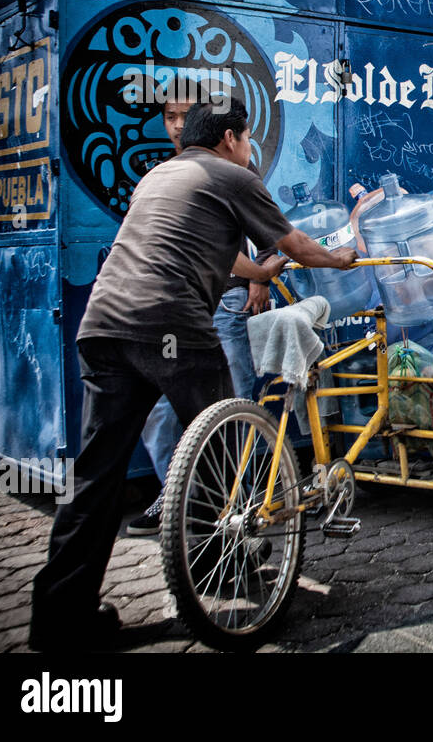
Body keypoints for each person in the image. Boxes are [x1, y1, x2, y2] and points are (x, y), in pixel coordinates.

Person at [29, 97, 358, 651]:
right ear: (230, 138)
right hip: (169, 324)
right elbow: (298, 244)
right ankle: (218, 563)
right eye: (247, 136)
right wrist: (341, 258)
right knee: (221, 443)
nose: (250, 146)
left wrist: (260, 271)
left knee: (96, 474)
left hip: (104, 324)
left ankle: (59, 615)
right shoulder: (234, 174)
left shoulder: (162, 176)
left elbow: (223, 260)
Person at [128, 95, 278, 536]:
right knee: (159, 413)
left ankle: (243, 505)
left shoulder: (239, 169)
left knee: (232, 406)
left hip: (227, 303)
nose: (177, 125)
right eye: (168, 117)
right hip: (174, 310)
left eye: (184, 116)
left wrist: (260, 279)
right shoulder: (161, 174)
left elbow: (272, 234)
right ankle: (179, 500)